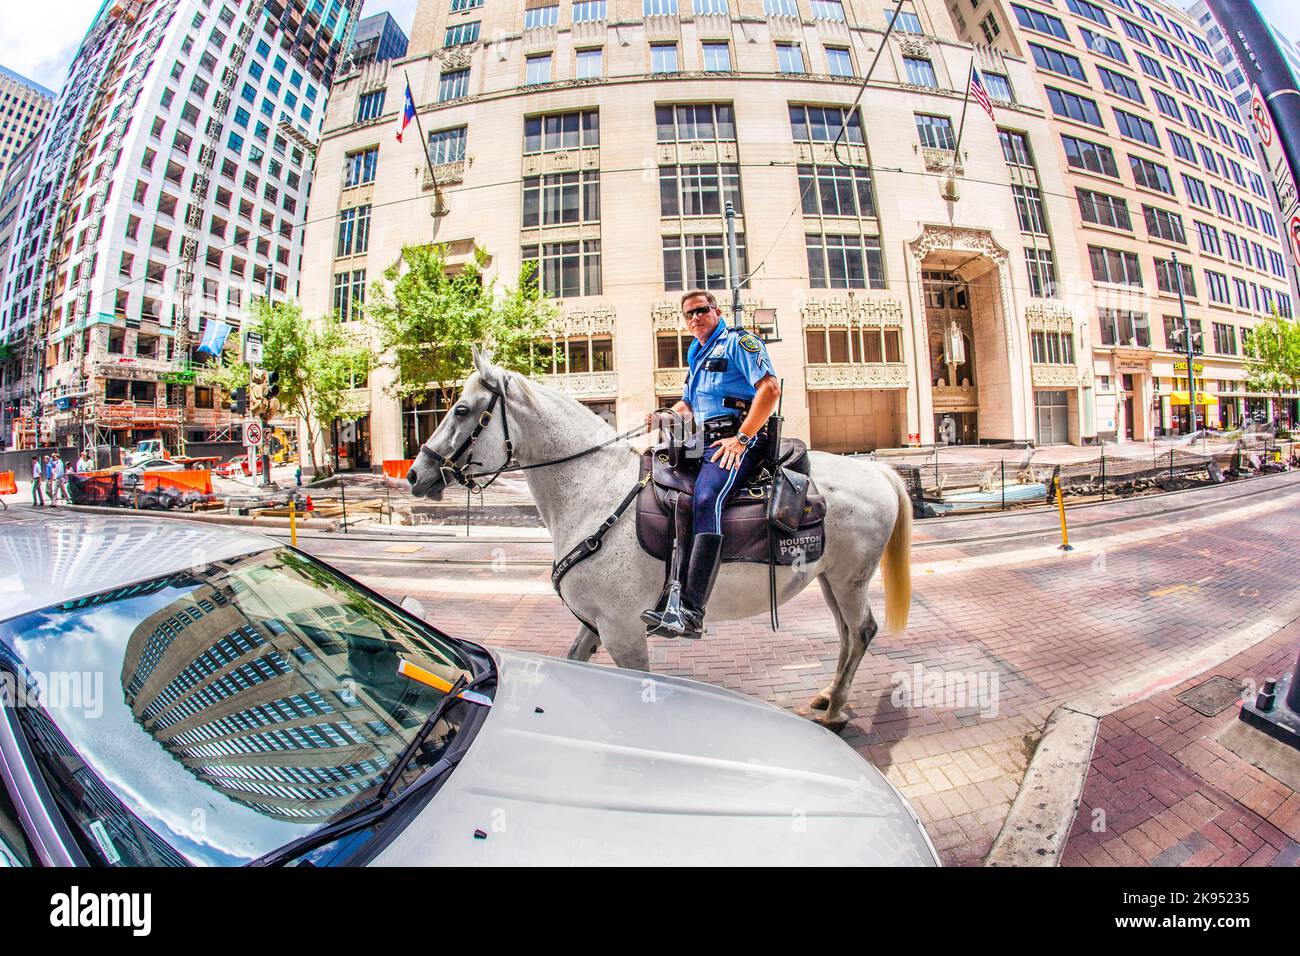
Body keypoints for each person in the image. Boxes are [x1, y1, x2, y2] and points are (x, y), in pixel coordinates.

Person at [640, 289, 781, 639]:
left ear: (717, 311)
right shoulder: (696, 351)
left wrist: (742, 438)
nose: (694, 319)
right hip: (703, 438)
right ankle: (669, 591)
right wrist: (664, 416)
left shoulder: (739, 342)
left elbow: (769, 390)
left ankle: (691, 609)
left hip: (739, 438)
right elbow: (689, 404)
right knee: (663, 486)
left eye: (701, 311)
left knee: (706, 498)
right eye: (688, 315)